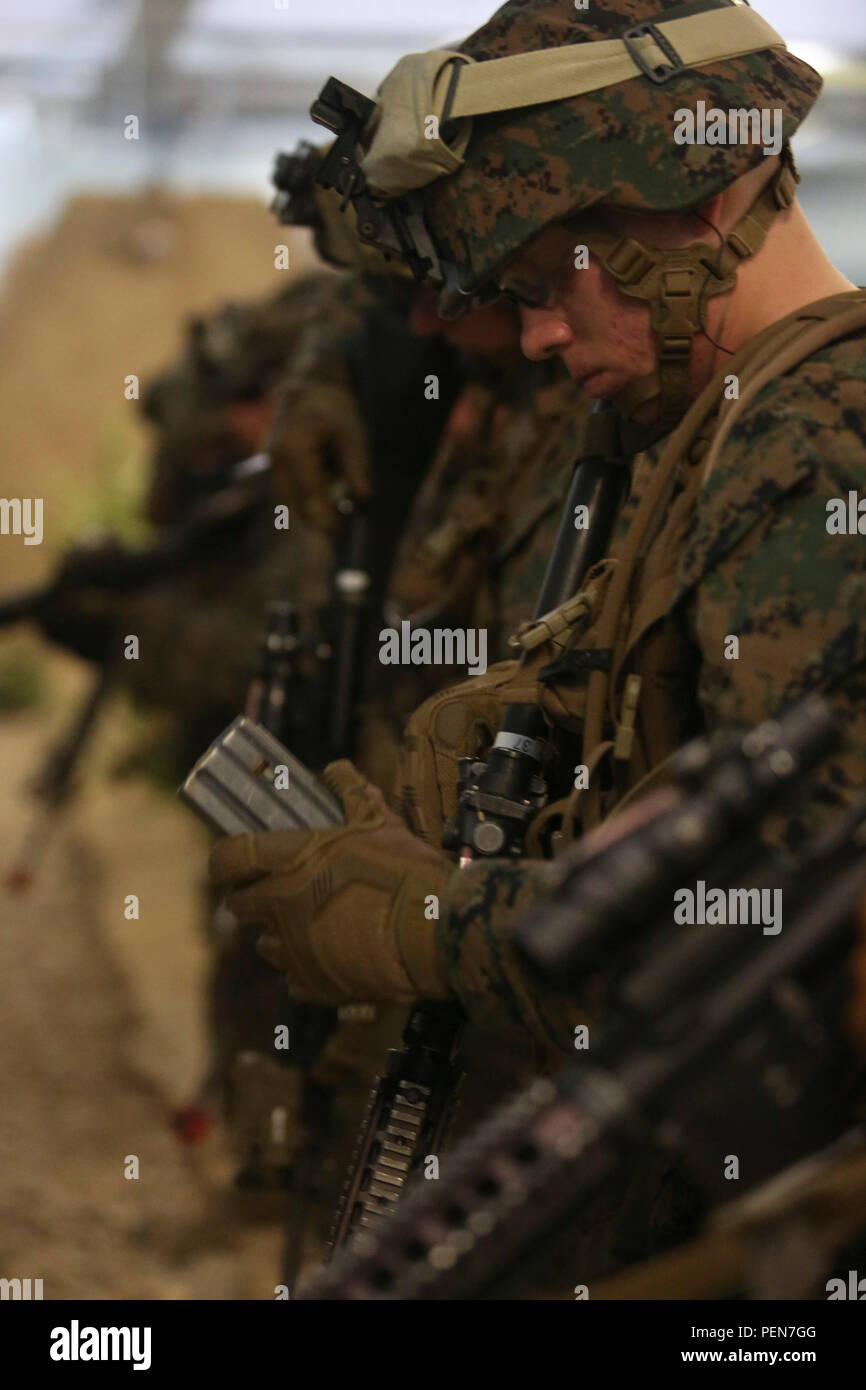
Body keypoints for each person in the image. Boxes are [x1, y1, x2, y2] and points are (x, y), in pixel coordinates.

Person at [210, 0, 866, 1291]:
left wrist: (425, 922)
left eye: (538, 280)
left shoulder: (813, 448)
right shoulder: (724, 428)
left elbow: (780, 957)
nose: (531, 338)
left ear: (685, 206)